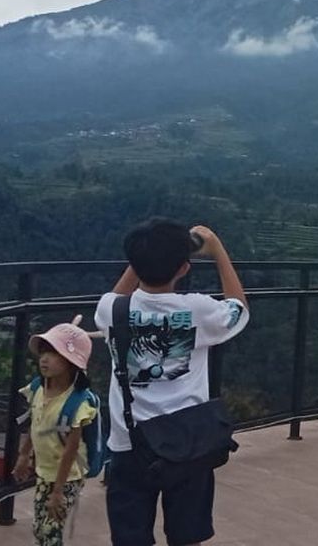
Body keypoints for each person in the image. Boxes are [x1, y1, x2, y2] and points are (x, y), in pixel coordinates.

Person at [94, 219, 250, 546]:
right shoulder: (198, 310)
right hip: (188, 444)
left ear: (134, 263)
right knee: (186, 536)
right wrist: (217, 248)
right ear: (183, 268)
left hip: (129, 444)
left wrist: (143, 259)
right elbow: (238, 308)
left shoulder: (111, 311)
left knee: (130, 538)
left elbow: (117, 294)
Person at [15, 316, 98, 546]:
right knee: (40, 528)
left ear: (72, 362)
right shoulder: (38, 388)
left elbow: (70, 451)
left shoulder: (77, 404)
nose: (44, 359)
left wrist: (58, 492)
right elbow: (36, 420)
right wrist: (24, 455)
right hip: (45, 471)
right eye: (43, 352)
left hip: (67, 477)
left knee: (51, 531)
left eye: (53, 354)